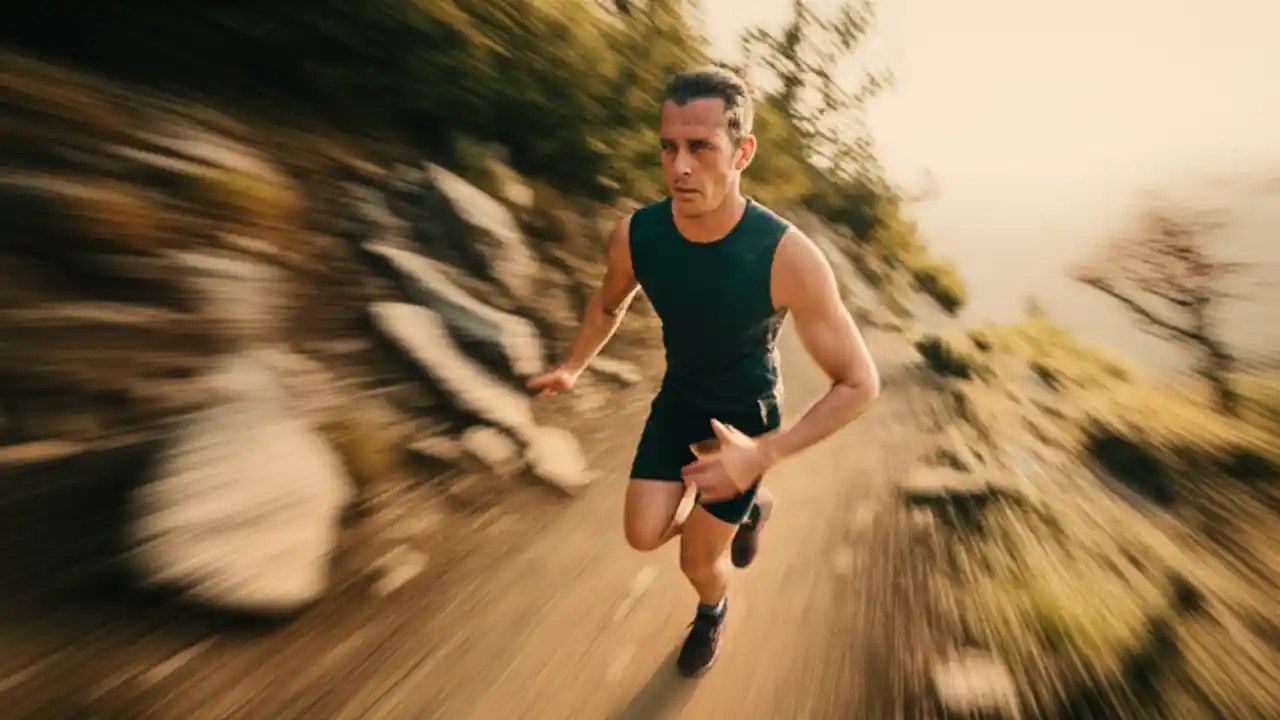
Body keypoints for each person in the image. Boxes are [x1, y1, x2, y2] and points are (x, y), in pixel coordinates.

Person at [526, 66, 881, 677]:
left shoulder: (788, 256)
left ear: (742, 152)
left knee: (698, 562)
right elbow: (610, 302)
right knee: (642, 533)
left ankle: (712, 609)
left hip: (743, 422)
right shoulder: (638, 235)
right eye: (669, 147)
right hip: (680, 401)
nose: (679, 166)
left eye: (700, 147)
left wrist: (761, 454)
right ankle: (747, 510)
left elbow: (860, 384)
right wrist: (574, 366)